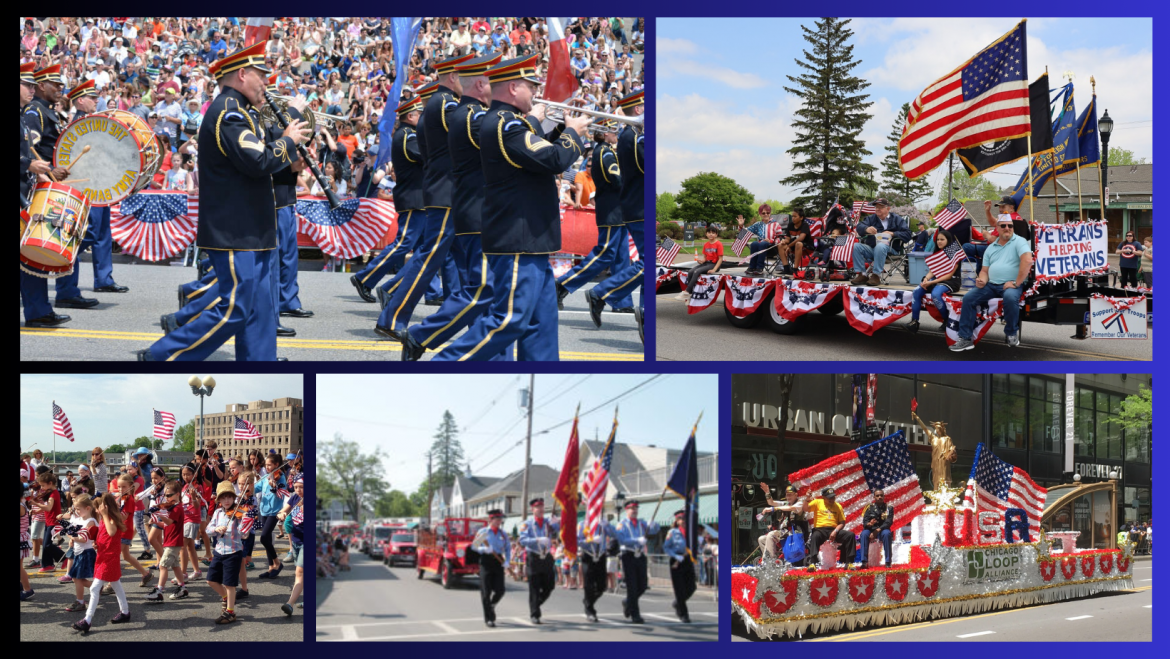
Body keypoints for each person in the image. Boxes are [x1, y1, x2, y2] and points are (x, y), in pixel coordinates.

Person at [139, 41, 310, 361]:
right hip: (236, 229)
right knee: (235, 308)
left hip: (252, 228)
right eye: (262, 76)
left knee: (259, 310)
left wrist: (290, 152)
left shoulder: (241, 111)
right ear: (243, 74)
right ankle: (162, 357)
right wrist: (288, 141)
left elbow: (256, 165)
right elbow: (258, 161)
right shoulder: (229, 113)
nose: (267, 83)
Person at [431, 55, 591, 361]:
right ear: (514, 87)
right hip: (517, 237)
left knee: (541, 327)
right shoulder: (504, 124)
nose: (535, 92)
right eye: (531, 86)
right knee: (509, 320)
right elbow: (556, 160)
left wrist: (562, 132)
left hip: (532, 238)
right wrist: (573, 133)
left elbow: (539, 152)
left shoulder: (510, 125)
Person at [399, 53, 506, 361]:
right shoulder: (467, 113)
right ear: (482, 83)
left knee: (489, 288)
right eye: (493, 83)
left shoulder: (462, 111)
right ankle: (421, 334)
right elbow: (502, 144)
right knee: (483, 285)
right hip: (474, 210)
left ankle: (490, 354)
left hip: (474, 207)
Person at [376, 52, 477, 340]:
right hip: (445, 191)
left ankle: (468, 321)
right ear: (453, 77)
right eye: (465, 78)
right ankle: (392, 316)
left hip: (449, 191)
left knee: (461, 261)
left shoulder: (441, 103)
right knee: (431, 257)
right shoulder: (445, 103)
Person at [54, 78, 129, 306]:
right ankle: (66, 282)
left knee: (104, 234)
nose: (97, 100)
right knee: (87, 234)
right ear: (79, 101)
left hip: (100, 186)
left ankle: (104, 278)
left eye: (97, 97)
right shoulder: (75, 126)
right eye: (92, 98)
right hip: (85, 189)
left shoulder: (95, 122)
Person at [349, 97, 425, 301]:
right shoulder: (408, 136)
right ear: (410, 116)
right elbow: (429, 157)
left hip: (418, 197)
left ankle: (391, 288)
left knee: (426, 250)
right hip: (413, 198)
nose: (424, 119)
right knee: (404, 243)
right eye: (420, 115)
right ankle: (365, 277)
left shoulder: (410, 134)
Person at [586, 90, 644, 337]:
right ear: (639, 110)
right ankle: (602, 292)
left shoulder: (632, 136)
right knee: (644, 263)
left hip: (632, 207)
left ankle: (640, 312)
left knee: (640, 262)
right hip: (635, 208)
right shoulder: (634, 138)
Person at [555, 120, 624, 311]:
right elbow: (617, 181)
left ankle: (619, 299)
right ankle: (563, 283)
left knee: (621, 257)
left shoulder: (604, 151)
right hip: (612, 210)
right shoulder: (606, 152)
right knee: (605, 254)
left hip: (616, 211)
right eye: (613, 131)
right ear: (606, 134)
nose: (616, 134)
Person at [264, 75, 314, 329]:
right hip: (270, 198)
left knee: (289, 256)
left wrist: (305, 152)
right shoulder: (265, 125)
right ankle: (274, 305)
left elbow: (292, 163)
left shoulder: (281, 128)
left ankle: (288, 300)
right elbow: (274, 144)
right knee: (275, 257)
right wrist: (294, 111)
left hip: (286, 195)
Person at [950, 203, 1033, 351]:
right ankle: (965, 338)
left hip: (1011, 284)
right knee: (968, 298)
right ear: (998, 229)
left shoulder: (1019, 241)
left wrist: (1016, 282)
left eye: (1010, 226)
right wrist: (982, 279)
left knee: (1009, 297)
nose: (1007, 228)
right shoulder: (991, 247)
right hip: (991, 285)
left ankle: (1011, 333)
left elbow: (1027, 260)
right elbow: (984, 270)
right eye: (1003, 226)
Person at [73, 493, 132, 633]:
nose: (96, 510)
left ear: (105, 507)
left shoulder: (111, 519)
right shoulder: (102, 520)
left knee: (94, 589)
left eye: (98, 507)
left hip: (109, 559)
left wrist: (105, 515)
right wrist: (97, 544)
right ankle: (125, 612)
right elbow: (104, 536)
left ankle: (87, 620)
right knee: (117, 586)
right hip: (103, 556)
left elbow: (111, 532)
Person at [909, 229, 963, 333]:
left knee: (936, 294)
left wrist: (931, 282)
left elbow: (949, 276)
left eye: (942, 239)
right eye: (938, 239)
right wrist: (926, 279)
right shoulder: (937, 252)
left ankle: (946, 320)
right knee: (916, 291)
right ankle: (914, 322)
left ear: (948, 240)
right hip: (936, 280)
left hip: (951, 281)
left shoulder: (954, 254)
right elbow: (932, 271)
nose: (939, 241)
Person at [851, 198, 912, 286]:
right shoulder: (871, 218)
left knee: (880, 246)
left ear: (888, 209)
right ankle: (862, 275)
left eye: (881, 207)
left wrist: (893, 233)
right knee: (856, 246)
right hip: (872, 249)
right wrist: (866, 229)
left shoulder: (897, 219)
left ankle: (876, 275)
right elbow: (860, 226)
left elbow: (908, 234)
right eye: (876, 207)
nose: (877, 209)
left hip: (891, 250)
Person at [207, 481, 244, 624]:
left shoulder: (239, 513)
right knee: (211, 580)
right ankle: (225, 597)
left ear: (234, 498)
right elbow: (208, 530)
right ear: (219, 500)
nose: (227, 500)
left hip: (233, 551)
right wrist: (216, 529)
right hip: (219, 551)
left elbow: (244, 534)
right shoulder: (217, 512)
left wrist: (245, 521)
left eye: (229, 497)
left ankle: (230, 612)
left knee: (230, 584)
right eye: (223, 498)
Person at [615, 500, 658, 624]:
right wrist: (636, 540)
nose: (634, 511)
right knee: (632, 586)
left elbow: (654, 530)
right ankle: (635, 614)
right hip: (628, 555)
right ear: (626, 510)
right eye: (631, 509)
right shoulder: (622, 524)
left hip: (640, 556)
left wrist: (653, 524)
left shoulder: (642, 523)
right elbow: (622, 540)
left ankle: (628, 601)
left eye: (636, 508)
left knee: (643, 585)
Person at [517, 497, 559, 623]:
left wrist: (557, 522)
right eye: (537, 507)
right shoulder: (527, 524)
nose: (540, 509)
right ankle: (535, 614)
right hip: (534, 557)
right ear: (532, 509)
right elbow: (522, 540)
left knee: (550, 586)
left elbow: (561, 530)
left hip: (546, 557)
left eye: (541, 507)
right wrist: (537, 540)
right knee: (534, 587)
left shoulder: (548, 522)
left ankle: (536, 604)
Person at [145, 479, 184, 603]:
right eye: (165, 496)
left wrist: (159, 513)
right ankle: (182, 587)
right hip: (170, 541)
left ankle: (159, 590)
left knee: (162, 566)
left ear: (177, 494)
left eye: (169, 495)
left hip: (174, 541)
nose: (166, 498)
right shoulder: (172, 508)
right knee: (175, 566)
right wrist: (156, 521)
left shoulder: (177, 509)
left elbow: (169, 522)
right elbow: (166, 525)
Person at [472, 508, 510, 627]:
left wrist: (507, 561)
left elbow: (508, 548)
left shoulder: (503, 534)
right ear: (491, 519)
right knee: (486, 591)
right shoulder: (483, 532)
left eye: (500, 519)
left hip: (498, 561)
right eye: (497, 519)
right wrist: (484, 549)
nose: (499, 521)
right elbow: (474, 546)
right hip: (486, 562)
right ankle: (489, 618)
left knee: (500, 590)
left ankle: (492, 605)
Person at [577, 515, 616, 622]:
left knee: (602, 586)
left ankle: (588, 601)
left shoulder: (602, 525)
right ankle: (590, 610)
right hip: (588, 556)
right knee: (588, 585)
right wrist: (591, 540)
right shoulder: (582, 525)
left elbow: (615, 534)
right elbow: (577, 541)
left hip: (601, 556)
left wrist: (607, 525)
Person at [806, 487, 856, 569]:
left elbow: (842, 523)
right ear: (823, 497)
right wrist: (807, 499)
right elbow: (806, 508)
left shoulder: (838, 506)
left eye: (833, 497)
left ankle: (849, 562)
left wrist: (835, 531)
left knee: (850, 535)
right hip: (820, 529)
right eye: (830, 498)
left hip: (833, 529)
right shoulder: (817, 502)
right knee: (815, 536)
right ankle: (813, 563)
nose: (832, 499)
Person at [757, 483, 807, 565]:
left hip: (794, 532)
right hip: (784, 532)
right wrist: (767, 492)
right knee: (762, 539)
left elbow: (790, 508)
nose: (788, 497)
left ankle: (770, 563)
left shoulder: (800, 503)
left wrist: (774, 509)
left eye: (790, 495)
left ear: (796, 494)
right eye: (787, 495)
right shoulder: (785, 503)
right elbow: (771, 502)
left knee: (771, 535)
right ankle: (770, 560)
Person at [256, 454, 288, 579]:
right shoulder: (265, 477)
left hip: (274, 511)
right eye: (266, 465)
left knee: (263, 538)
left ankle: (277, 563)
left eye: (269, 465)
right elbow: (256, 489)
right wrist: (248, 484)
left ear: (276, 465)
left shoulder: (281, 478)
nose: (267, 467)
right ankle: (270, 568)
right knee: (267, 539)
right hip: (264, 510)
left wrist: (274, 486)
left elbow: (282, 494)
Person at [277, 474, 304, 616]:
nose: (298, 490)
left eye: (302, 487)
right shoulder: (294, 498)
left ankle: (290, 604)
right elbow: (284, 510)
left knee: (299, 572)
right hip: (296, 541)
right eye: (296, 487)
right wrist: (281, 514)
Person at [664, 510, 696, 623]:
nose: (683, 521)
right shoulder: (672, 532)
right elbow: (666, 548)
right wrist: (676, 557)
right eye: (680, 519)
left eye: (684, 519)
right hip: (676, 561)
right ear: (677, 521)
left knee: (692, 587)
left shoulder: (691, 532)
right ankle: (684, 614)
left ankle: (678, 602)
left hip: (687, 560)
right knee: (679, 589)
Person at [676, 224, 722, 302]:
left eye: (713, 233)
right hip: (706, 263)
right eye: (709, 232)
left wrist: (714, 269)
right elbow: (705, 257)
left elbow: (720, 259)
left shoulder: (718, 244)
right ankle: (690, 293)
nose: (711, 234)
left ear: (716, 234)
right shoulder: (706, 244)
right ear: (706, 234)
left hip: (714, 264)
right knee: (691, 271)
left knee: (697, 271)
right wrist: (701, 261)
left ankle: (687, 291)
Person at [858, 489, 894, 568]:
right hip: (870, 529)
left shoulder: (889, 508)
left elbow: (888, 522)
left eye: (881, 495)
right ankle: (864, 562)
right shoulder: (869, 507)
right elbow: (865, 522)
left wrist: (877, 530)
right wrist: (869, 524)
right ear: (874, 497)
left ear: (884, 497)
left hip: (882, 529)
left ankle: (888, 562)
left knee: (887, 534)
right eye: (877, 496)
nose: (879, 497)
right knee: (863, 534)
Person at [776, 208, 814, 275]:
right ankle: (786, 268)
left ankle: (795, 269)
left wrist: (789, 246)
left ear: (801, 217)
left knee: (798, 243)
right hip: (793, 246)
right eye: (792, 216)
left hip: (806, 247)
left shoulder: (805, 225)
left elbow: (801, 238)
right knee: (780, 245)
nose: (793, 218)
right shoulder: (790, 225)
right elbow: (788, 239)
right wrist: (784, 241)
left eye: (795, 216)